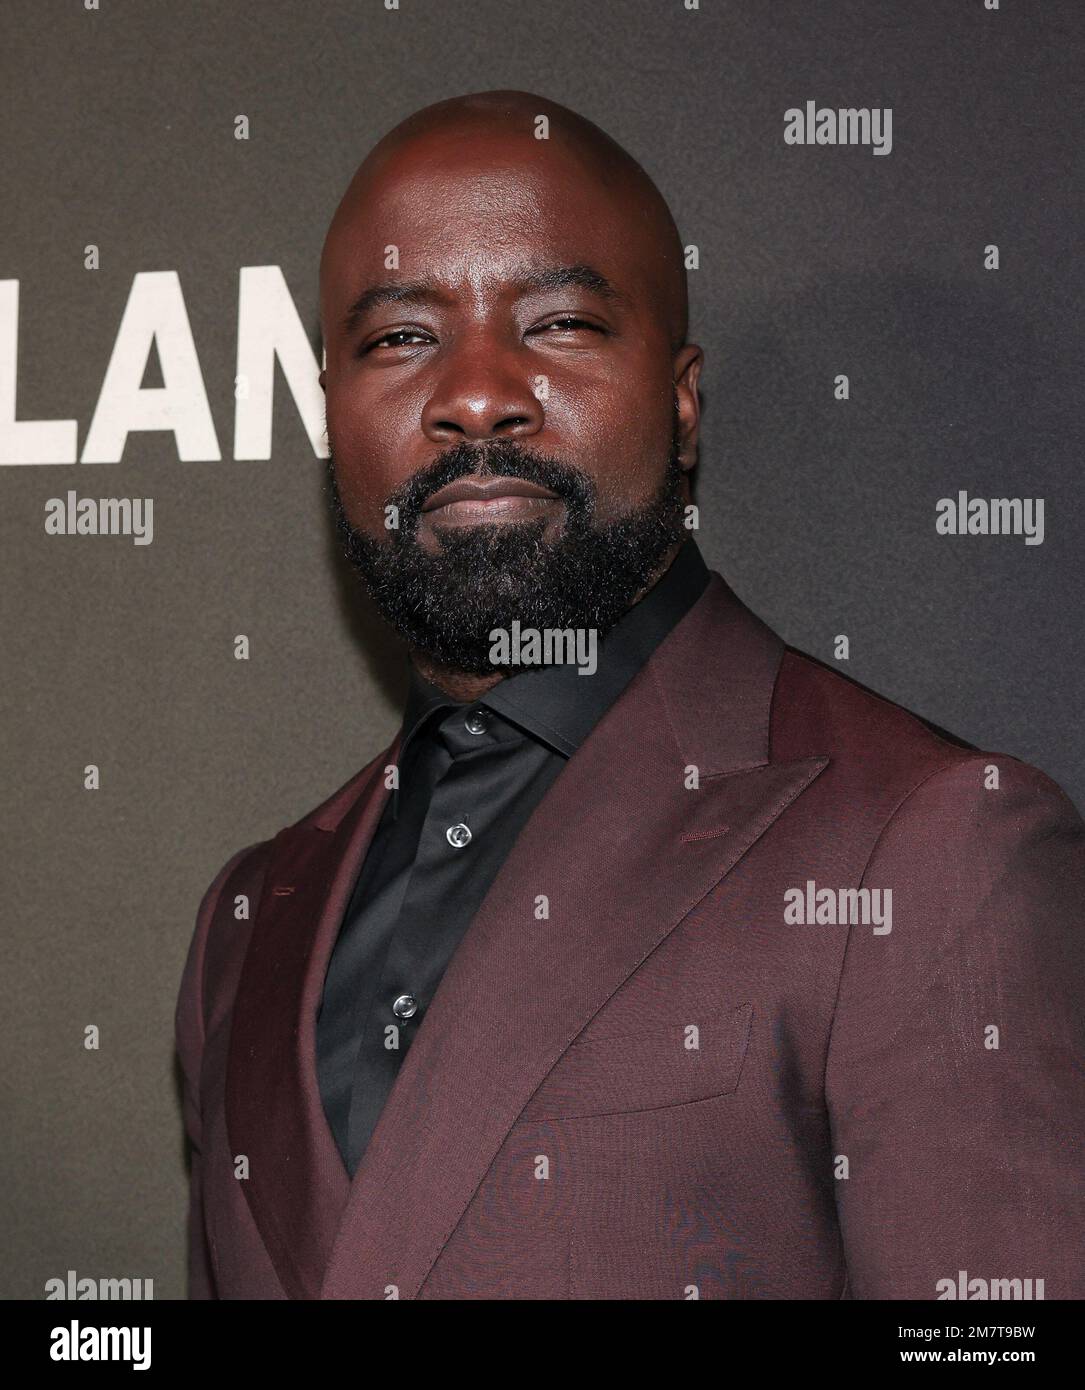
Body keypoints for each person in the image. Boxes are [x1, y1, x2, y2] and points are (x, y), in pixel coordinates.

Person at [175, 90, 1085, 1300]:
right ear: (332, 414)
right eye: (399, 338)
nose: (478, 392)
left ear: (682, 400)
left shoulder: (923, 846)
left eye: (557, 323)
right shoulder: (251, 916)